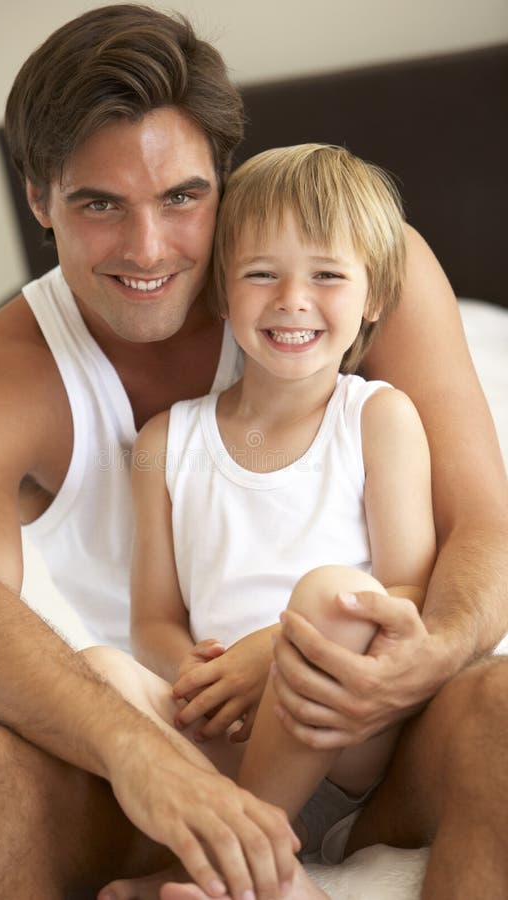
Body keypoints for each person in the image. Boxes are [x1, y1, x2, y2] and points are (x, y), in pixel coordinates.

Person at [0, 5, 506, 899]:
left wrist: (435, 648)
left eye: (182, 197)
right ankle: (224, 856)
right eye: (99, 204)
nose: (148, 250)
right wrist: (142, 755)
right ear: (39, 197)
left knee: (501, 709)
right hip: (190, 733)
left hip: (384, 730)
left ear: (222, 177)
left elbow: (483, 529)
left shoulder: (369, 270)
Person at [80, 142, 438, 899]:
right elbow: (152, 619)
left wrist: (266, 656)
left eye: (328, 276)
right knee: (94, 672)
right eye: (261, 273)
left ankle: (241, 861)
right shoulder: (165, 443)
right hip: (218, 739)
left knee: (333, 592)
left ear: (374, 296)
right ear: (220, 290)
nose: (292, 300)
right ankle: (272, 873)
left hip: (340, 733)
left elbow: (403, 591)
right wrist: (201, 682)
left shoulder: (377, 417)